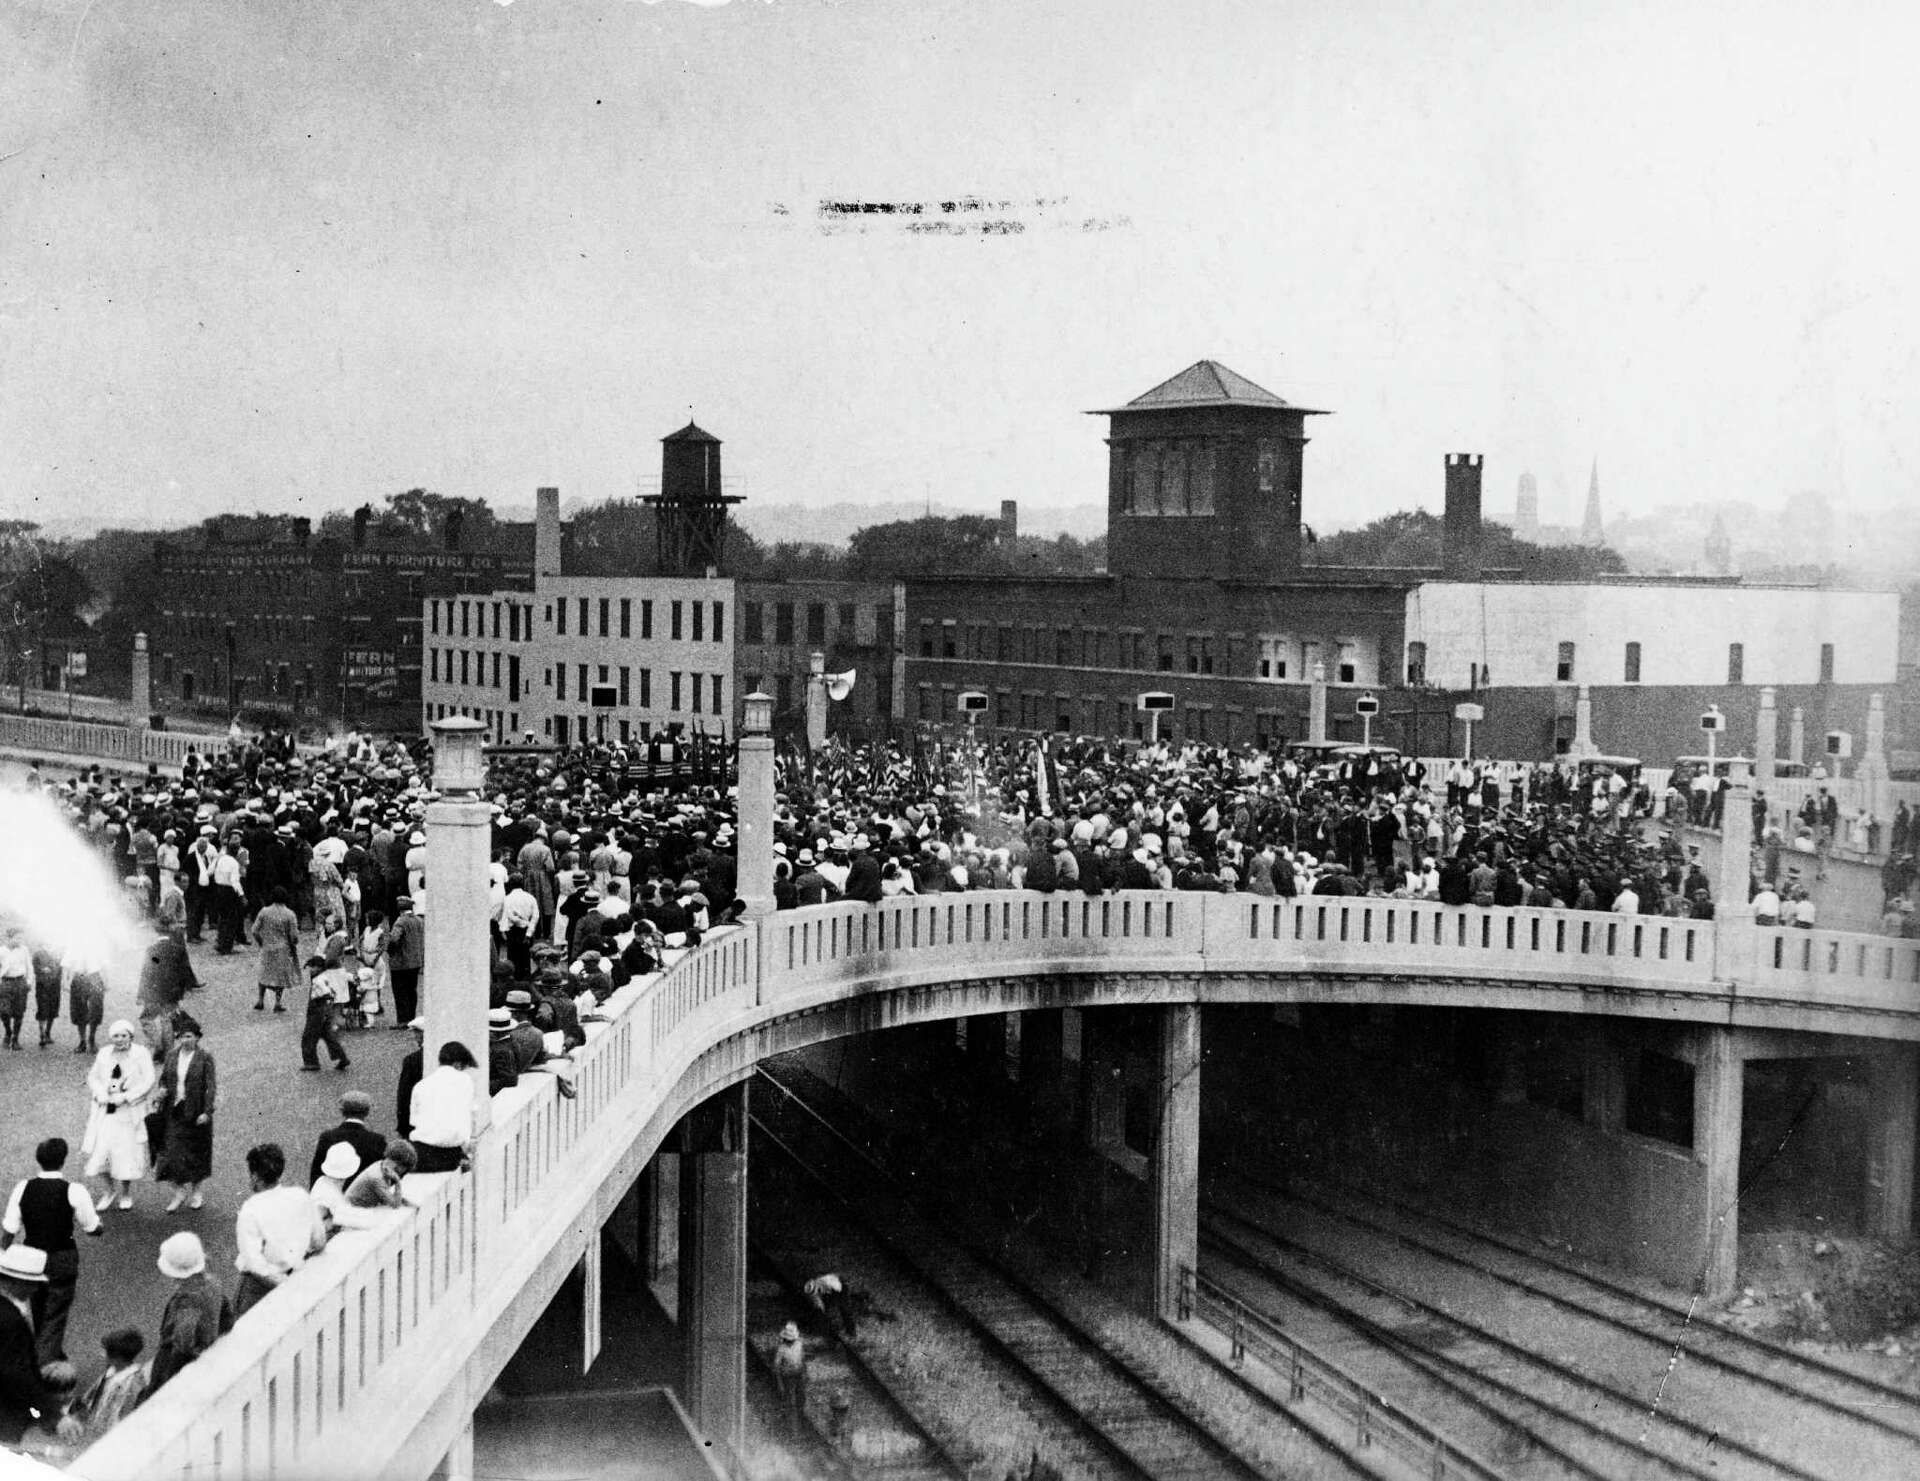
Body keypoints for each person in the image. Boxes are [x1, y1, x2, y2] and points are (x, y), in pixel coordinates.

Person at [2, 1137, 102, 1365]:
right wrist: (100, 1227)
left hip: (31, 1258)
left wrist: (3, 1252)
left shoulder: (23, 1188)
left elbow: (10, 1228)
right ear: (63, 1161)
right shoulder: (74, 1190)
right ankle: (45, 1364)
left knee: (37, 1308)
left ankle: (46, 1352)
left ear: (39, 1160)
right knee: (56, 1315)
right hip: (62, 1257)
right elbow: (92, 1228)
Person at [231, 1144, 328, 1318]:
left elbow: (255, 1264)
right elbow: (319, 1241)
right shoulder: (300, 1196)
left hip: (258, 1288)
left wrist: (285, 1284)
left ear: (254, 1177)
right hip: (295, 1275)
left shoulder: (251, 1209)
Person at [0, 1245, 79, 1448]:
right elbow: (17, 1375)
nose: (36, 1289)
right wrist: (54, 1413)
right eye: (33, 1283)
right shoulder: (10, 1320)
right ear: (17, 1282)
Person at [147, 1232, 232, 1396]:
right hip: (206, 1349)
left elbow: (183, 1342)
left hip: (173, 1361)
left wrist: (168, 1374)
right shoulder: (213, 1284)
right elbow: (228, 1317)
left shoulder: (187, 1299)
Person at [82, 1022, 155, 1211]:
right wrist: (101, 1093)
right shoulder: (104, 1053)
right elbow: (93, 1077)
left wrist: (126, 1097)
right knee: (101, 1152)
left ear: (131, 1036)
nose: (120, 1040)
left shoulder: (141, 1054)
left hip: (128, 1112)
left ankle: (125, 1193)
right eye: (116, 1036)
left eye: (124, 1036)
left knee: (125, 1153)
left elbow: (148, 1080)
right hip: (106, 1110)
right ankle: (109, 1191)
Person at [152, 1015, 217, 1213]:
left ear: (197, 1037)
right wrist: (162, 1090)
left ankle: (197, 1193)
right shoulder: (172, 1055)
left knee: (196, 1154)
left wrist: (207, 1111)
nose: (184, 1040)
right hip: (173, 1110)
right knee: (169, 1154)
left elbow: (210, 1087)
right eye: (181, 1037)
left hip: (196, 1113)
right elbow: (164, 1079)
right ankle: (179, 1191)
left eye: (189, 1036)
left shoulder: (205, 1058)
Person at [409, 1042, 480, 1173]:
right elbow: (471, 1118)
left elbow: (413, 1121)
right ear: (457, 1064)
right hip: (451, 1155)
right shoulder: (465, 1081)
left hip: (421, 1152)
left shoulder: (420, 1085)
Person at [69, 1328, 146, 1445]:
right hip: (97, 1427)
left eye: (106, 1352)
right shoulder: (109, 1373)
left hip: (116, 1433)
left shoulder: (134, 1380)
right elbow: (89, 1398)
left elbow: (131, 1409)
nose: (102, 1355)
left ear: (117, 1356)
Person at [309, 1092, 389, 1189]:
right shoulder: (377, 1140)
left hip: (333, 1195)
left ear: (342, 1111)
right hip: (363, 1199)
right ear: (367, 1112)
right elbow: (382, 1175)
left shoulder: (327, 1137)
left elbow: (317, 1173)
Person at [299, 954, 353, 1073]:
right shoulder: (327, 977)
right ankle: (342, 1057)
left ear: (319, 967)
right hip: (326, 1010)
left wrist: (324, 1001)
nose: (310, 970)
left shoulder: (318, 980)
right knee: (328, 1035)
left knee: (308, 1036)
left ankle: (311, 1062)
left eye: (312, 967)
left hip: (317, 1009)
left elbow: (325, 992)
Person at [253, 886, 303, 1013]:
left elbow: (254, 930)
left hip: (267, 946)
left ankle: (260, 1000)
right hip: (283, 948)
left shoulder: (264, 911)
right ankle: (278, 1002)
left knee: (264, 973)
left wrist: (261, 942)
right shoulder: (290, 914)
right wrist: (293, 944)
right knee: (280, 976)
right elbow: (294, 936)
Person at [344, 1140, 417, 1212]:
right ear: (400, 1165)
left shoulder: (381, 1164)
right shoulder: (377, 1178)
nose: (403, 1172)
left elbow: (386, 1198)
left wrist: (405, 1202)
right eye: (405, 1168)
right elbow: (395, 1206)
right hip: (351, 1213)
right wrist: (397, 1182)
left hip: (356, 1209)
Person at [63, 943, 108, 1056]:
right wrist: (65, 981)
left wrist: (107, 981)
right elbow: (66, 965)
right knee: (79, 1010)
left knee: (96, 1009)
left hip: (95, 978)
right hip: (79, 978)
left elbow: (105, 964)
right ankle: (82, 1041)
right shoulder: (72, 947)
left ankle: (92, 1038)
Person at [386, 898, 425, 1027]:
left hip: (400, 963)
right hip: (416, 961)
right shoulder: (419, 921)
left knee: (400, 992)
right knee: (411, 991)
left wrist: (390, 952)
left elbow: (394, 940)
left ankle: (402, 1020)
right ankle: (411, 1017)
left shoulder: (400, 922)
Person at [771, 1320, 807, 1431]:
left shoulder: (799, 1344)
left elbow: (803, 1359)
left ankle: (801, 1422)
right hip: (788, 1378)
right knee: (791, 1403)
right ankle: (793, 1428)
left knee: (801, 1399)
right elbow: (776, 1367)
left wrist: (805, 1373)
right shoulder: (781, 1349)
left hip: (799, 1375)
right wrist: (780, 1383)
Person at [395, 1019, 426, 1142]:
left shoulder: (412, 1060)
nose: (414, 1037)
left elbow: (405, 1096)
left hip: (417, 1120)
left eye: (416, 1033)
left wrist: (403, 1127)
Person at [0, 928, 30, 1052]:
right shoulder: (1, 951)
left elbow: (29, 967)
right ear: (9, 938)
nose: (20, 940)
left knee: (19, 1012)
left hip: (20, 982)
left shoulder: (24, 950)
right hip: (6, 982)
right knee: (4, 1011)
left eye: (21, 938)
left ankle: (15, 1039)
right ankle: (8, 1031)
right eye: (17, 938)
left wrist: (29, 982)